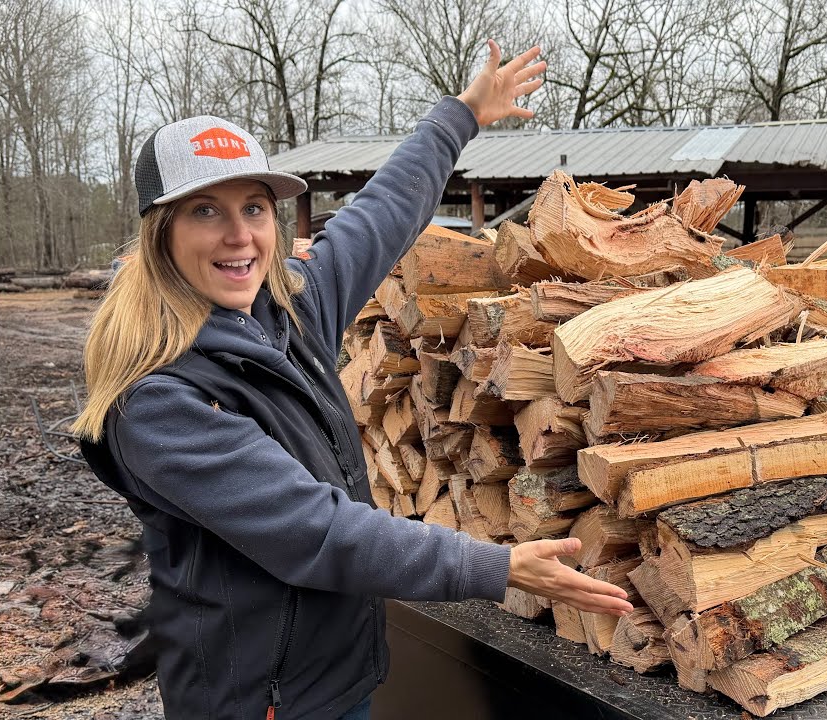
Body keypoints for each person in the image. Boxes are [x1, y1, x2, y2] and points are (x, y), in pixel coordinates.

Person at [74, 41, 633, 720]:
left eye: (253, 208)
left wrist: (459, 115)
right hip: (260, 703)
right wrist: (495, 568)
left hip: (334, 675)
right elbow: (317, 532)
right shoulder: (159, 399)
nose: (239, 236)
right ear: (161, 233)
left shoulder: (287, 313)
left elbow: (379, 217)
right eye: (204, 211)